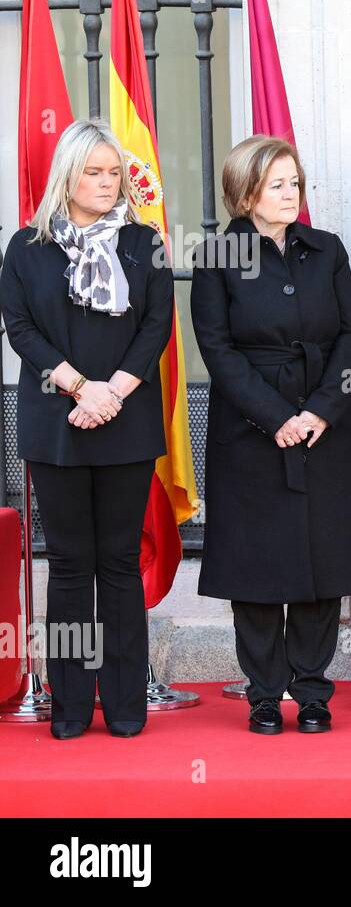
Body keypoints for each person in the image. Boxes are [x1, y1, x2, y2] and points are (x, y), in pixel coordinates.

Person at [191, 136, 351, 735]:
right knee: (259, 565)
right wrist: (276, 418)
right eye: (277, 184)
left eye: (295, 182)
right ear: (246, 192)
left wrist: (322, 410)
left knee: (323, 559)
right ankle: (265, 694)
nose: (291, 193)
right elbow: (217, 350)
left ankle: (314, 691)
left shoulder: (327, 250)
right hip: (250, 434)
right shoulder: (218, 255)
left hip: (326, 427)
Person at [0, 119, 174, 739]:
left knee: (120, 562)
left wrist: (113, 392)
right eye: (93, 172)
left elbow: (157, 326)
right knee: (71, 565)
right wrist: (80, 388)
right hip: (58, 421)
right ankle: (71, 707)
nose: (107, 182)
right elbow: (20, 329)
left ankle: (126, 705)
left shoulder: (145, 242)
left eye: (113, 172)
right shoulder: (26, 247)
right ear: (67, 176)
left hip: (126, 420)